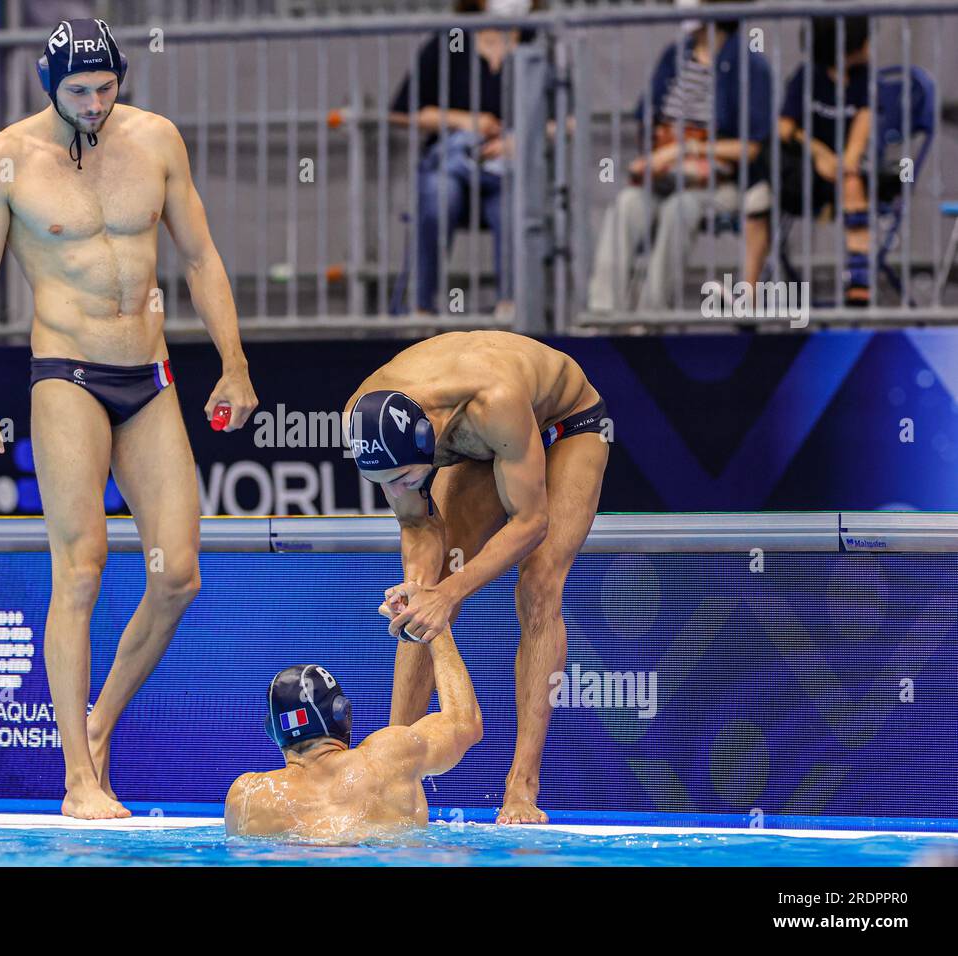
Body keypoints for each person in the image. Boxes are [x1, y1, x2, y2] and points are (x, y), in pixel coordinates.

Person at [0, 18, 258, 819]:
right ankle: (80, 781)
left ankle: (97, 724)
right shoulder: (3, 161)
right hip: (66, 374)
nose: (93, 103)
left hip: (149, 377)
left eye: (105, 87)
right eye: (77, 91)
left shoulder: (156, 141)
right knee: (81, 568)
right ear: (49, 86)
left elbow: (199, 256)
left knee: (178, 576)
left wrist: (234, 364)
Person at [344, 330, 607, 823]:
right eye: (387, 484)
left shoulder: (494, 401)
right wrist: (420, 590)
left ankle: (522, 787)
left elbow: (531, 523)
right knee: (425, 593)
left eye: (405, 478)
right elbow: (416, 521)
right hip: (488, 446)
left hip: (568, 424)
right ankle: (389, 774)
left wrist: (447, 593)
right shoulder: (364, 415)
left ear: (432, 437)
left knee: (539, 585)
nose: (398, 490)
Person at [588, 0, 772, 313]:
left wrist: (687, 149)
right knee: (627, 205)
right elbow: (648, 117)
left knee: (679, 209)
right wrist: (656, 157)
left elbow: (750, 147)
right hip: (664, 176)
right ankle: (604, 314)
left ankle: (650, 317)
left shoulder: (749, 64)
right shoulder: (675, 56)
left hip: (719, 184)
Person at [224, 629, 482, 842]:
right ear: (342, 714)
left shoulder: (247, 796)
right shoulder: (391, 756)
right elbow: (464, 722)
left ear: (273, 732)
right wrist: (436, 628)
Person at [389, 0, 533, 319]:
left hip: (508, 171)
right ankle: (421, 309)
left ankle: (513, 310)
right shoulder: (451, 40)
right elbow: (404, 111)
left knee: (513, 205)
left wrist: (518, 139)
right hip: (452, 166)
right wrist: (465, 122)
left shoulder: (542, 40)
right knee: (440, 194)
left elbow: (567, 117)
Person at [743, 16, 880, 304]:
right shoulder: (808, 76)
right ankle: (748, 294)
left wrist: (846, 161)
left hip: (840, 174)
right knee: (757, 200)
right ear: (844, 48)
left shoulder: (865, 79)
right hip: (800, 170)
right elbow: (784, 128)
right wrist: (820, 154)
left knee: (853, 182)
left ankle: (859, 283)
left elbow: (861, 130)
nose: (869, 44)